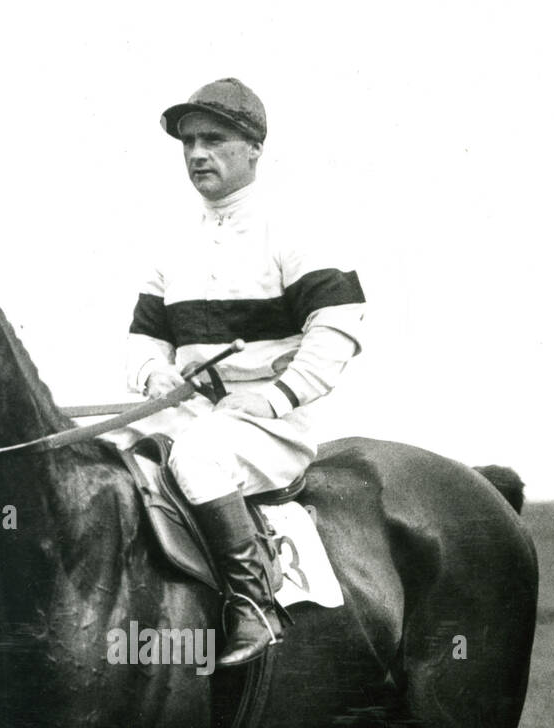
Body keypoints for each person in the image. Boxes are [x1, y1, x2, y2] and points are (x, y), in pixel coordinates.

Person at [109, 78, 366, 667]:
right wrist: (155, 378)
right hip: (189, 410)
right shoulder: (171, 243)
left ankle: (253, 607)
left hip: (269, 425)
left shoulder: (297, 228)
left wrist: (276, 398)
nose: (198, 153)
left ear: (253, 147)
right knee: (98, 455)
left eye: (214, 139)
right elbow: (143, 340)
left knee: (198, 459)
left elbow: (340, 326)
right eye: (189, 142)